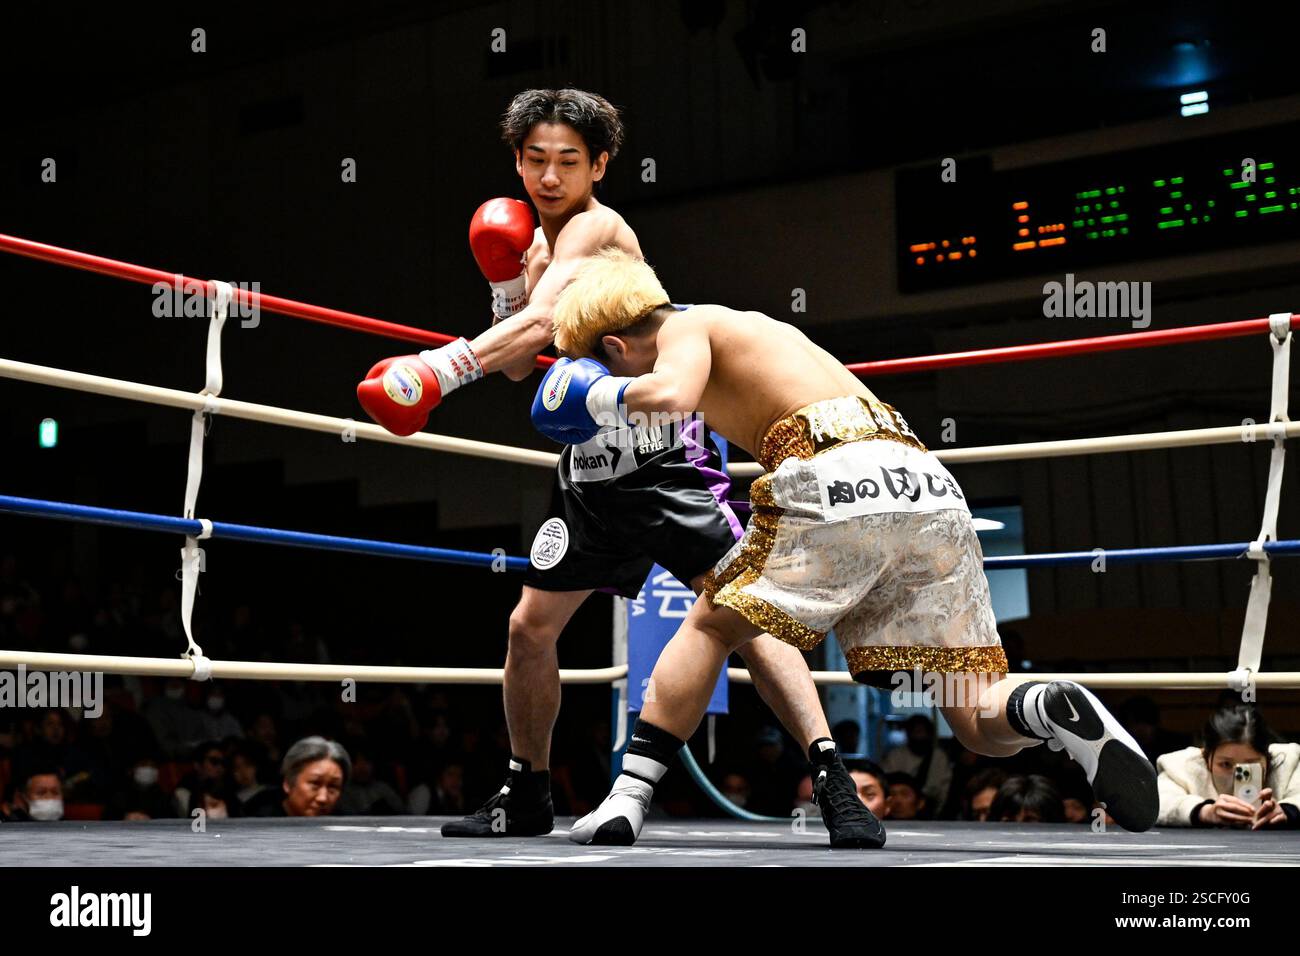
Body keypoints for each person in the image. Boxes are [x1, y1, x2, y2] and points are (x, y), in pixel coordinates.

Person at [355, 88, 876, 846]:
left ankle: (833, 782)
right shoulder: (539, 249)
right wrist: (504, 283)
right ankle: (526, 791)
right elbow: (523, 359)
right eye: (536, 160)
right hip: (591, 471)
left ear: (598, 165)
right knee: (529, 628)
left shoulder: (599, 226)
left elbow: (540, 324)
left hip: (663, 459)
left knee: (746, 617)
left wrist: (436, 370)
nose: (550, 177)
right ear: (516, 161)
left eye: (569, 161)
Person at [531, 248, 1159, 844]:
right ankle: (1046, 706)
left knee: (713, 624)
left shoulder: (684, 326)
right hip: (926, 484)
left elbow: (671, 395)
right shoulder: (763, 328)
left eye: (606, 366)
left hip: (835, 468)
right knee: (975, 719)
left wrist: (596, 393)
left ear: (614, 346)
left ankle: (628, 798)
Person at [1156, 701, 1300, 828]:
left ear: (1268, 760)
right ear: (1206, 758)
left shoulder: (1288, 763)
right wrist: (1205, 812)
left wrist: (1287, 811)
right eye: (1225, 764)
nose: (1237, 775)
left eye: (1250, 765)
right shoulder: (1182, 766)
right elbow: (1158, 803)